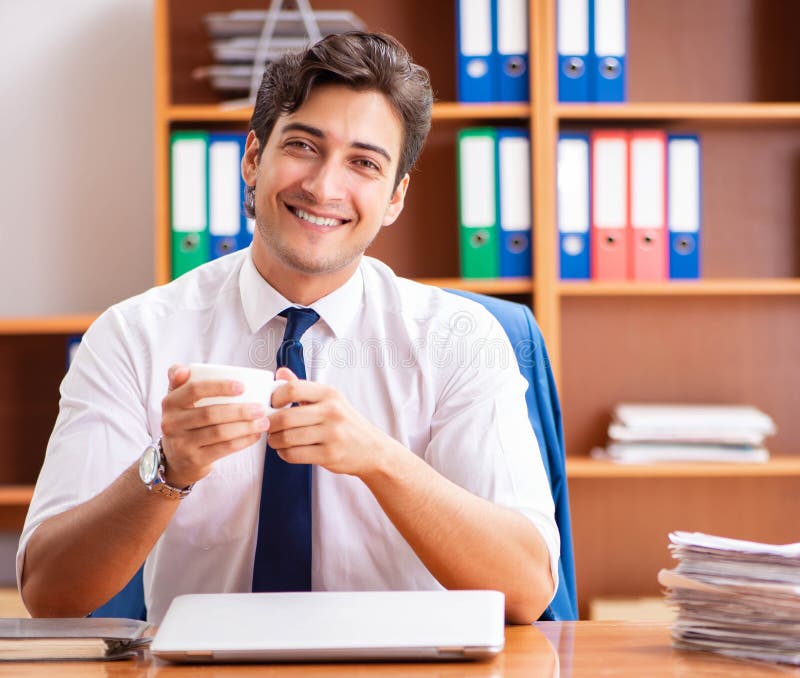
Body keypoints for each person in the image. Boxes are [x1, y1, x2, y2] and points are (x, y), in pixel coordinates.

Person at [18, 32, 558, 625]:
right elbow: (49, 592)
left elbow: (527, 589)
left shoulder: (462, 338)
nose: (324, 187)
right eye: (303, 145)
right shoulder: (133, 336)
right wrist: (167, 468)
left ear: (396, 196)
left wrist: (380, 459)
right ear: (253, 158)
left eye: (364, 163)